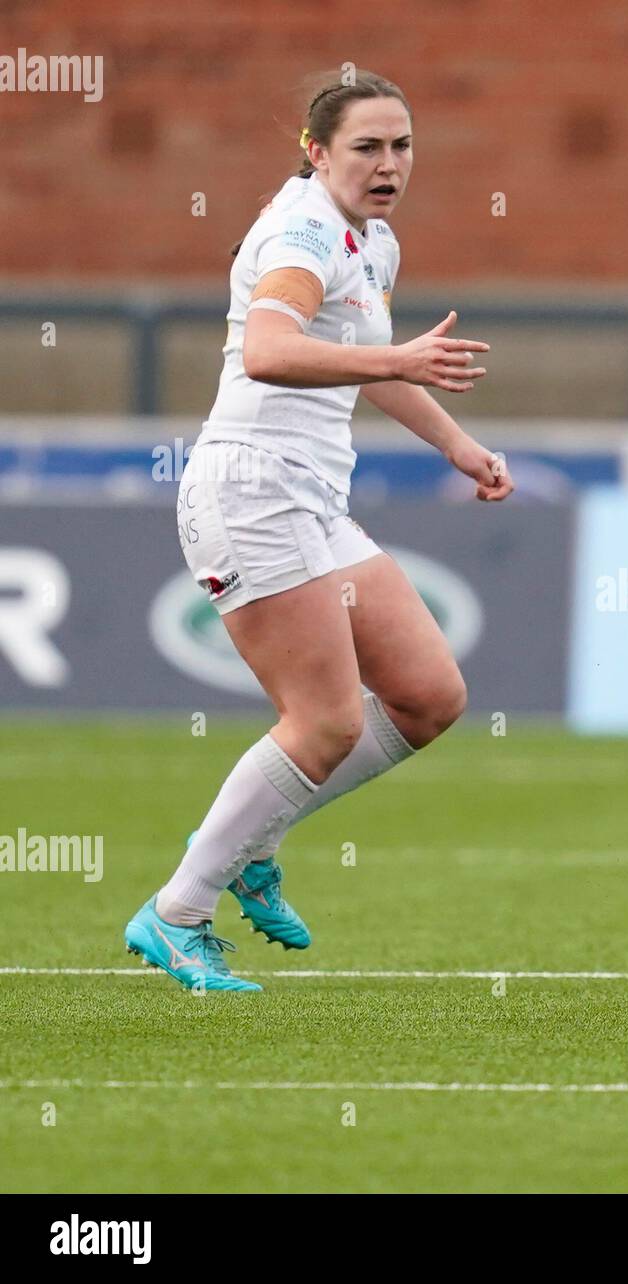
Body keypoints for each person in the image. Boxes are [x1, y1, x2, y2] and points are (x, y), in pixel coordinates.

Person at [126, 71, 513, 992]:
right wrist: (398, 353)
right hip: (251, 495)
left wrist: (458, 446)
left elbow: (363, 368)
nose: (389, 165)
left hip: (310, 501)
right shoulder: (300, 232)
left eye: (402, 145)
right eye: (367, 148)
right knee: (328, 720)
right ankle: (177, 913)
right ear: (316, 151)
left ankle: (255, 839)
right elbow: (269, 349)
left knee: (427, 695)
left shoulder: (372, 241)